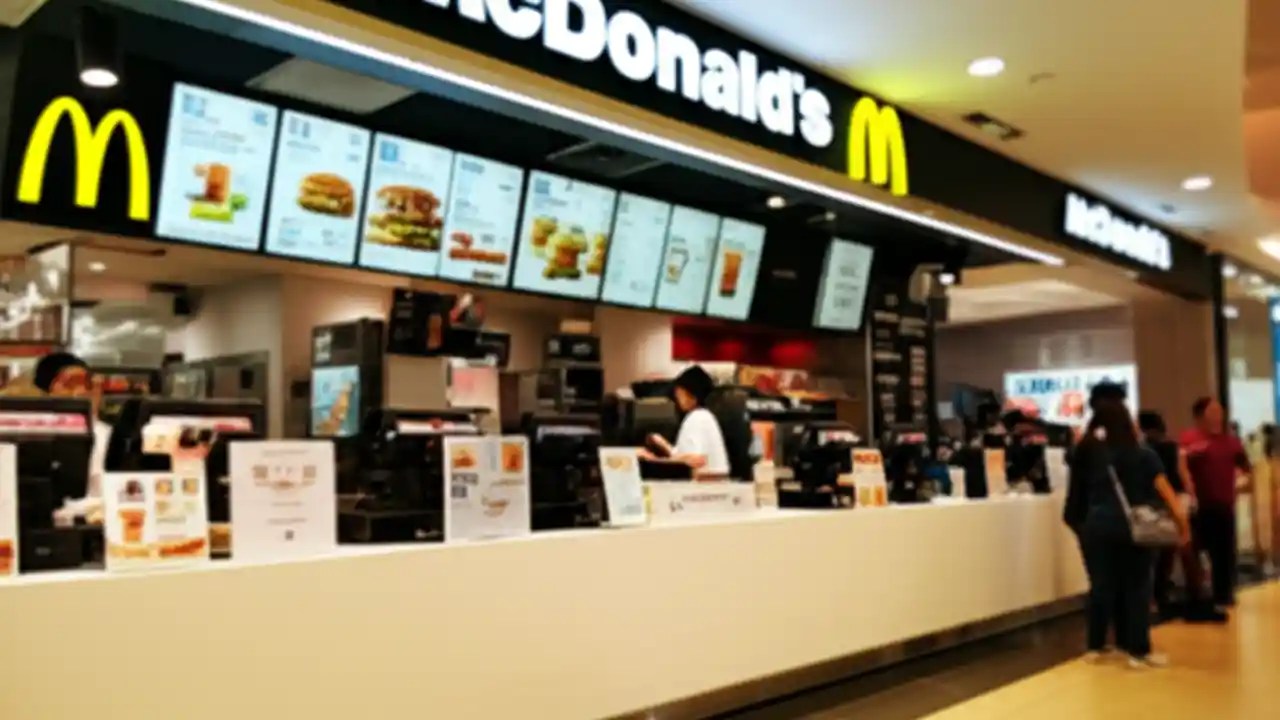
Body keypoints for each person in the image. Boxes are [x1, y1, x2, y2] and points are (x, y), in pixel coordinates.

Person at [1071, 401, 1190, 669]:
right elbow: (1166, 492)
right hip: (1133, 526)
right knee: (1137, 587)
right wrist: (1183, 525)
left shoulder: (1094, 456)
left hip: (1097, 525)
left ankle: (1096, 646)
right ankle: (1137, 650)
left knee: (1102, 586)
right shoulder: (1144, 456)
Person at [1138, 410, 1222, 622]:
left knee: (1160, 555)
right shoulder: (1173, 448)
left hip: (1154, 505)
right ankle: (1197, 598)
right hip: (1177, 501)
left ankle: (1158, 598)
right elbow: (1184, 475)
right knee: (1186, 551)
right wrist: (1192, 498)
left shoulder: (1142, 451)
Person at [1179, 397, 1252, 610]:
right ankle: (1197, 595)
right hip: (1200, 506)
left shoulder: (1230, 442)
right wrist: (1189, 487)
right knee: (1194, 550)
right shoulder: (1190, 440)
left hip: (1223, 504)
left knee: (1224, 552)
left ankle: (1223, 594)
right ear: (1200, 416)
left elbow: (1245, 466)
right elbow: (1181, 466)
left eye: (1219, 411)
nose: (1217, 416)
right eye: (1212, 411)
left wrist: (1239, 484)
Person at [31, 352, 110, 500]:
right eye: (69, 384)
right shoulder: (30, 432)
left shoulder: (111, 436)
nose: (81, 392)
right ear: (46, 393)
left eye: (88, 384)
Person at [640, 365, 730, 479]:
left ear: (692, 396)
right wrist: (665, 446)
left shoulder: (697, 418)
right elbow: (687, 456)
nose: (677, 397)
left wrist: (653, 459)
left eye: (680, 393)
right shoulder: (705, 416)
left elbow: (693, 461)